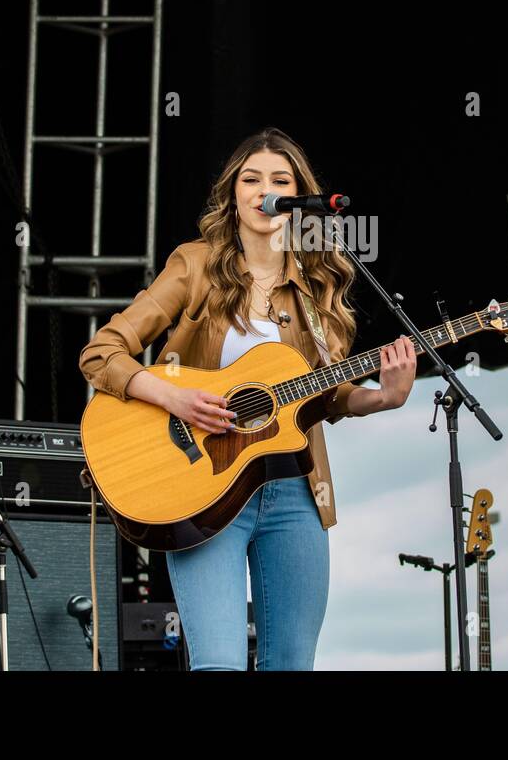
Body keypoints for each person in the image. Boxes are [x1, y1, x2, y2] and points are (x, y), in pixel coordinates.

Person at [79, 128, 416, 670]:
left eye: (280, 181)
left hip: (296, 493)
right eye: (252, 179)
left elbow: (327, 394)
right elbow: (103, 353)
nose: (265, 190)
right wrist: (175, 398)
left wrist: (383, 398)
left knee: (291, 663)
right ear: (232, 195)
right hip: (203, 486)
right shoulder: (194, 265)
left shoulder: (316, 288)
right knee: (218, 664)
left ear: (299, 197)